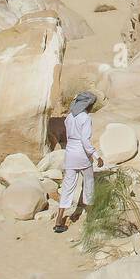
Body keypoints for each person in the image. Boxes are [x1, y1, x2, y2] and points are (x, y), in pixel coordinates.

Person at [54, 90, 102, 234]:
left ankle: (59, 221)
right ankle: (90, 218)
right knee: (89, 183)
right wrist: (97, 156)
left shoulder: (69, 117)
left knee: (68, 186)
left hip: (70, 154)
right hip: (82, 155)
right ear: (88, 105)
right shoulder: (85, 118)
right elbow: (85, 141)